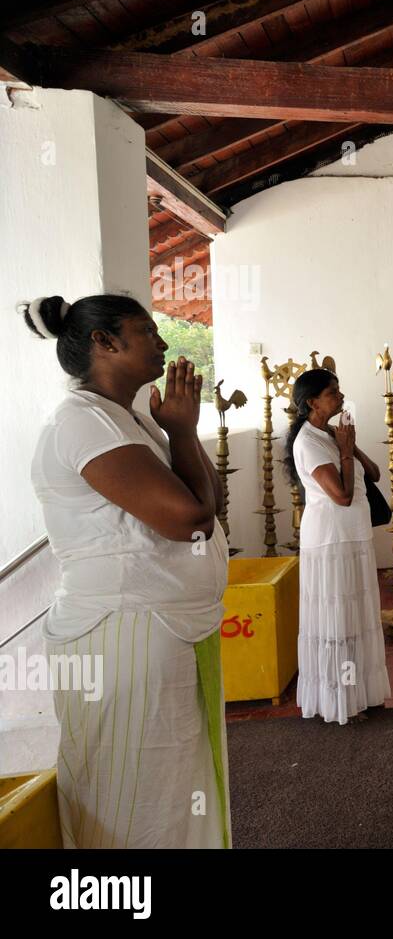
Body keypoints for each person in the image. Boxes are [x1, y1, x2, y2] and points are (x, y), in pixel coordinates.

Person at [23, 294, 230, 848]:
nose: (163, 343)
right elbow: (191, 519)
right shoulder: (83, 423)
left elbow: (212, 498)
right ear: (104, 342)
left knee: (174, 792)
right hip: (123, 635)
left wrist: (178, 432)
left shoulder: (129, 418)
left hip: (159, 630)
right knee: (136, 805)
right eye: (147, 331)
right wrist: (184, 434)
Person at [285, 369, 390, 724]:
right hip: (331, 542)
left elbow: (373, 474)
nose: (341, 396)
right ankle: (341, 701)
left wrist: (350, 445)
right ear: (313, 402)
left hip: (354, 537)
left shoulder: (330, 434)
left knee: (358, 619)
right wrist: (344, 451)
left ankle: (365, 692)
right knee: (337, 625)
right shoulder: (308, 442)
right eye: (333, 392)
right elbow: (342, 496)